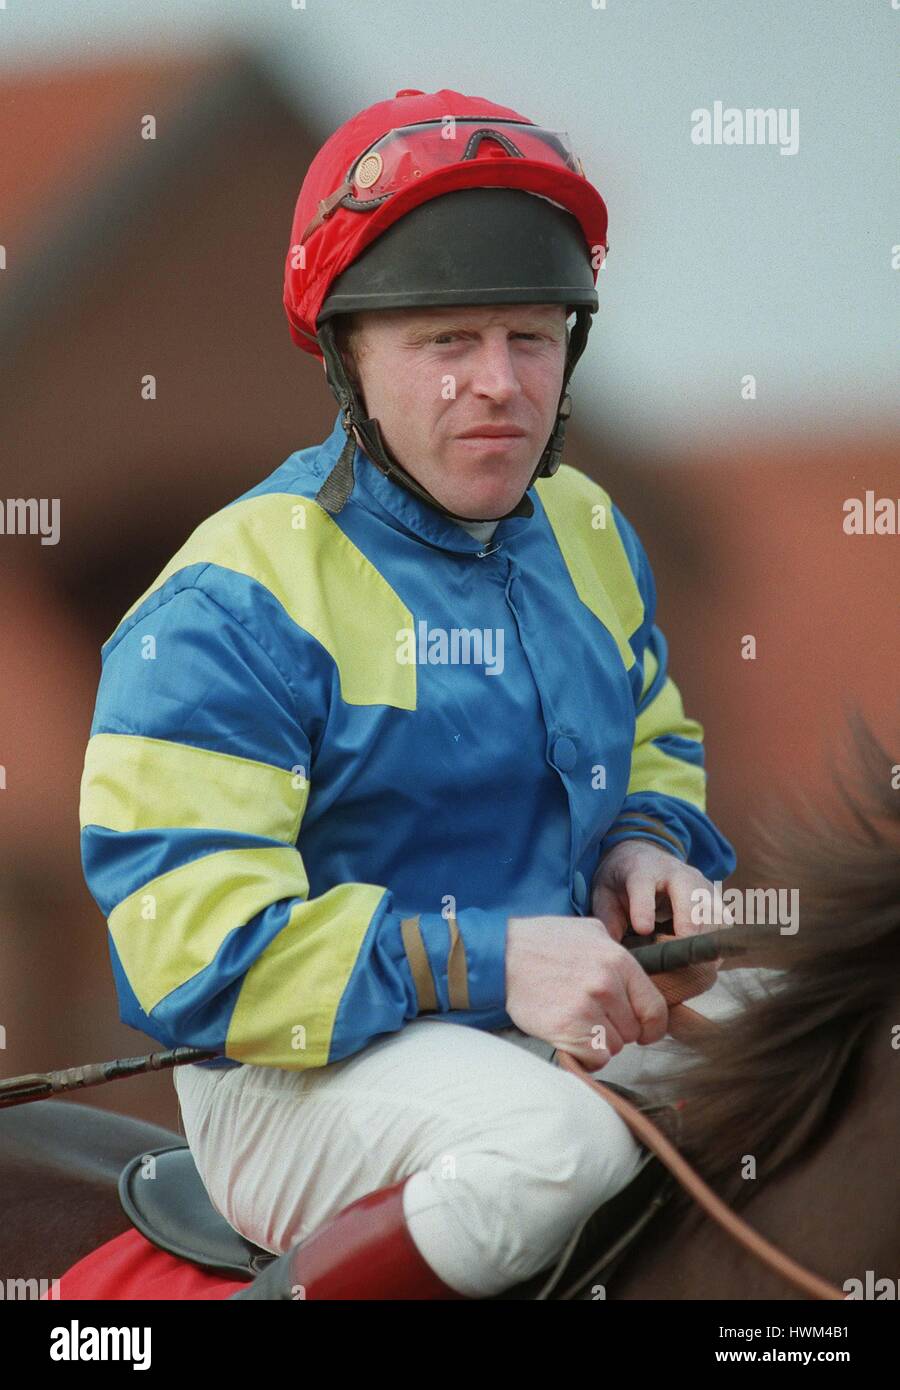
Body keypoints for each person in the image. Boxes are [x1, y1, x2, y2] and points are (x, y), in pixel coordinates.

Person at [78, 87, 736, 1299]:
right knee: (556, 1146)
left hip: (548, 1018)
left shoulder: (586, 527)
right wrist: (489, 962)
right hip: (292, 1079)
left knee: (826, 1061)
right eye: (448, 343)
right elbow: (194, 956)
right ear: (350, 355)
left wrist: (649, 840)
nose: (498, 383)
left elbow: (658, 737)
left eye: (531, 337)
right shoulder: (230, 602)